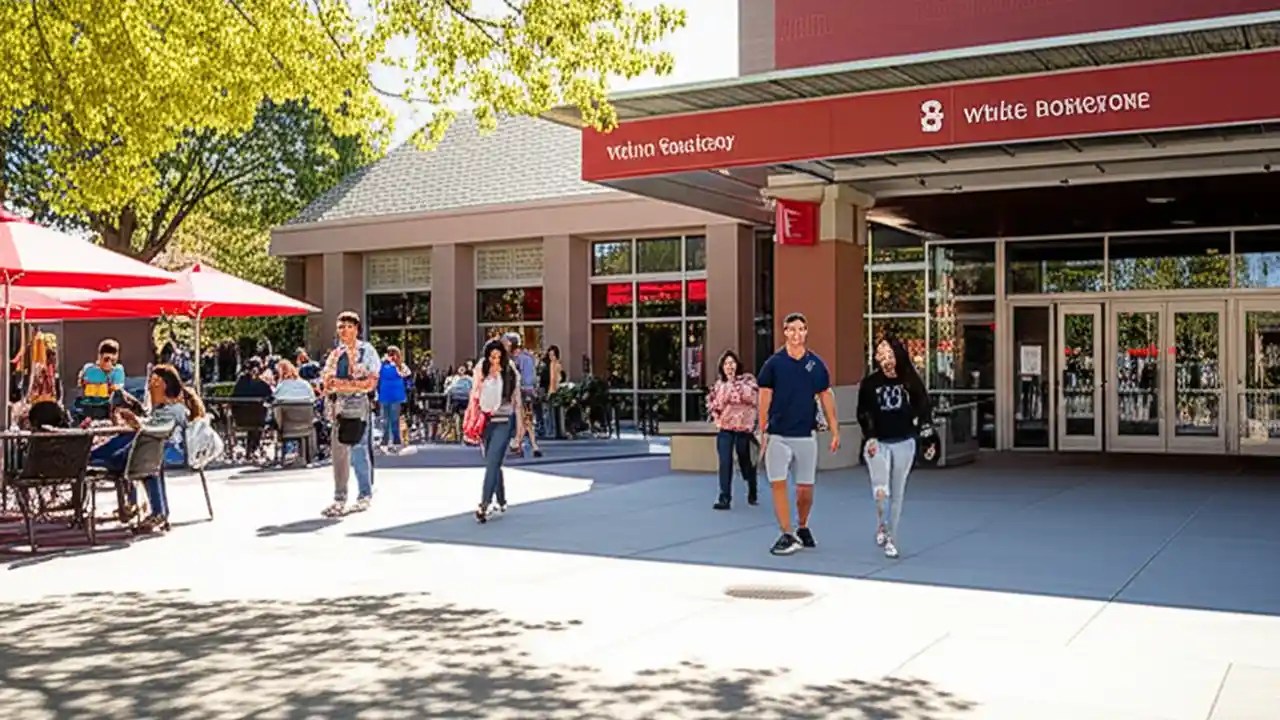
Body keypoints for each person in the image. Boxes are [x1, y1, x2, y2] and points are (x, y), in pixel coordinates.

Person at [756, 312, 840, 556]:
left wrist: (835, 429)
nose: (796, 334)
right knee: (778, 483)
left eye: (801, 329)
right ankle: (786, 532)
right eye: (791, 329)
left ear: (806, 332)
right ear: (785, 332)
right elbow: (764, 396)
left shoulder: (815, 364)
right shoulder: (774, 364)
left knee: (805, 489)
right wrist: (762, 429)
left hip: (805, 433)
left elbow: (826, 394)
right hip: (779, 434)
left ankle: (802, 525)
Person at [90, 364, 205, 533]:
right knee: (128, 440)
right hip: (151, 452)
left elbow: (156, 431)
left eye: (152, 382)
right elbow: (150, 428)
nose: (149, 387)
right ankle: (147, 508)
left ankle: (91, 458)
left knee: (142, 451)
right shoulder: (164, 409)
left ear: (163, 384)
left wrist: (137, 424)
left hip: (168, 452)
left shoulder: (174, 410)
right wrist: (137, 423)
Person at [857, 336, 932, 560]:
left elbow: (923, 407)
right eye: (880, 352)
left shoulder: (909, 380)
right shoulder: (870, 383)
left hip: (904, 441)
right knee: (882, 491)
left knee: (898, 493)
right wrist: (869, 437)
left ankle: (892, 537)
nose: (884, 357)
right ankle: (882, 522)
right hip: (878, 442)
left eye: (888, 352)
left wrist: (925, 434)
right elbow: (863, 412)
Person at [320, 311, 379, 518]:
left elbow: (370, 383)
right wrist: (350, 385)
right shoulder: (336, 354)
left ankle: (364, 494)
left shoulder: (367, 351)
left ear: (357, 328)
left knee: (359, 448)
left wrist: (344, 384)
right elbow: (327, 382)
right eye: (341, 327)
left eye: (349, 326)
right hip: (339, 406)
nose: (344, 331)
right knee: (339, 453)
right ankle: (339, 497)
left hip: (358, 404)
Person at [473, 338, 524, 523]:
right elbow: (474, 395)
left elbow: (517, 403)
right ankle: (501, 499)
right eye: (491, 356)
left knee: (492, 462)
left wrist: (519, 431)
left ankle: (484, 504)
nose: (495, 360)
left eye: (498, 357)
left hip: (504, 420)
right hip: (486, 421)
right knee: (492, 461)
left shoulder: (510, 371)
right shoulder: (481, 369)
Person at [706, 350, 759, 510]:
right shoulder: (719, 385)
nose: (730, 366)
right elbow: (715, 405)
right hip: (725, 428)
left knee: (745, 461)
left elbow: (753, 398)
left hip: (743, 428)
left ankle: (751, 484)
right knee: (725, 461)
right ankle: (724, 497)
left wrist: (735, 385)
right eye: (726, 364)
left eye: (732, 363)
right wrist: (726, 388)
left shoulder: (748, 381)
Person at [505, 333, 542, 458]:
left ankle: (518, 443)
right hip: (528, 391)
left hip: (521, 391)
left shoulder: (518, 359)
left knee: (522, 419)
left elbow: (521, 377)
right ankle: (533, 446)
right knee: (527, 419)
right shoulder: (527, 357)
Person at [231, 358, 273, 460]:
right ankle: (254, 448)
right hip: (258, 420)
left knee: (253, 416)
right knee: (260, 415)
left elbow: (233, 399)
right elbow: (271, 398)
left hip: (241, 420)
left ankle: (251, 449)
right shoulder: (263, 385)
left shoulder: (240, 384)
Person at [77, 339, 126, 420]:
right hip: (90, 404)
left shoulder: (118, 369)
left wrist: (108, 374)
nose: (109, 361)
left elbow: (118, 388)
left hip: (109, 406)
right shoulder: (90, 368)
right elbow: (82, 385)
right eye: (106, 358)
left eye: (113, 359)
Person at [377, 345, 410, 453]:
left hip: (396, 396)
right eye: (389, 353)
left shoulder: (400, 366)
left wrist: (397, 364)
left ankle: (396, 440)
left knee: (394, 419)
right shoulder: (381, 365)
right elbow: (376, 374)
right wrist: (383, 361)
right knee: (384, 420)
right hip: (384, 395)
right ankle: (385, 440)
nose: (391, 355)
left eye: (393, 353)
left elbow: (406, 374)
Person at [538, 345, 566, 439]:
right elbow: (544, 380)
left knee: (554, 412)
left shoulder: (557, 366)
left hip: (555, 392)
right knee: (548, 412)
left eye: (553, 355)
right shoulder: (547, 367)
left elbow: (560, 378)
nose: (551, 357)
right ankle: (549, 430)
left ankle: (555, 431)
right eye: (550, 355)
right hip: (548, 392)